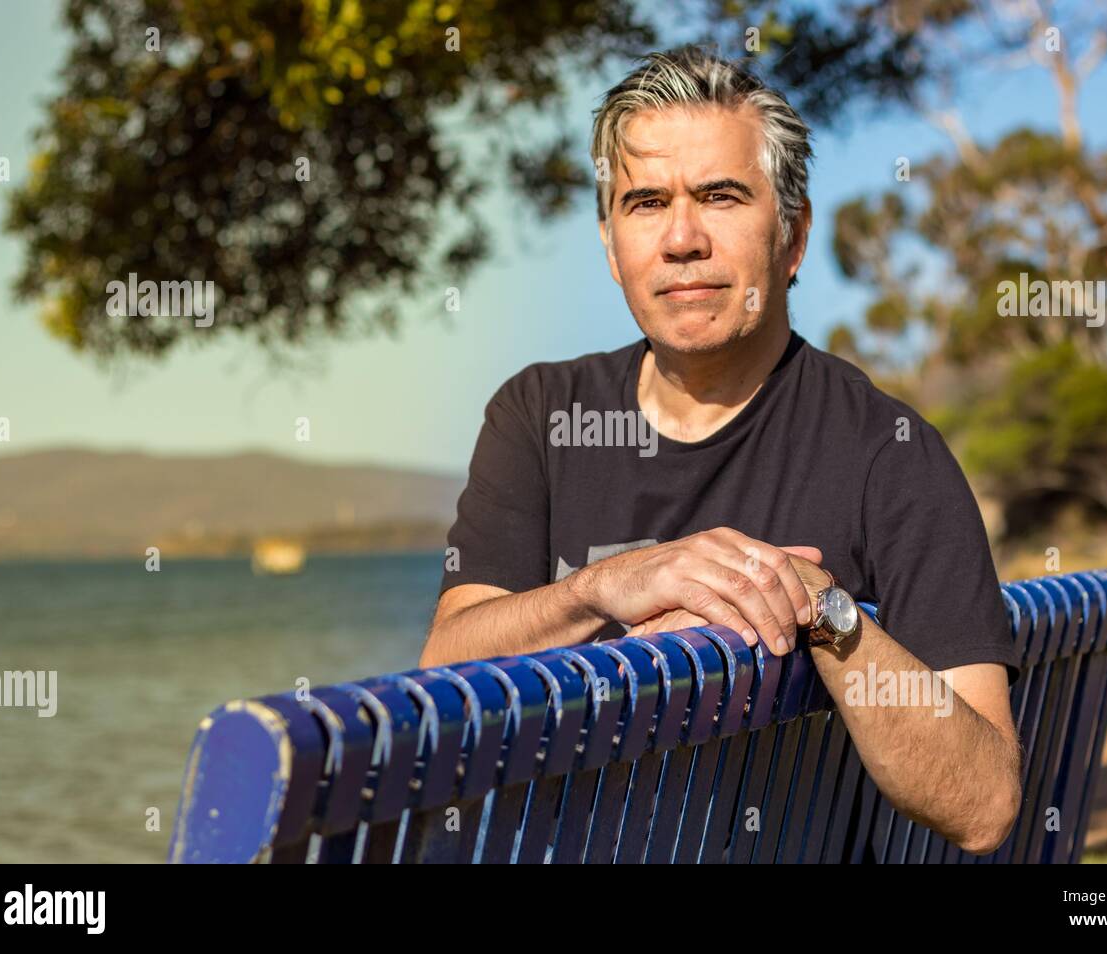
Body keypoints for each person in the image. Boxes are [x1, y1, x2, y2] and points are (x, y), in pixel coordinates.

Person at [422, 45, 1021, 855]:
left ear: (793, 236)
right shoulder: (540, 414)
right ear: (611, 246)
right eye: (645, 203)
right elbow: (444, 666)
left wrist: (818, 608)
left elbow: (983, 804)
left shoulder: (889, 453)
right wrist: (609, 587)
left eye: (720, 196)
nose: (681, 239)